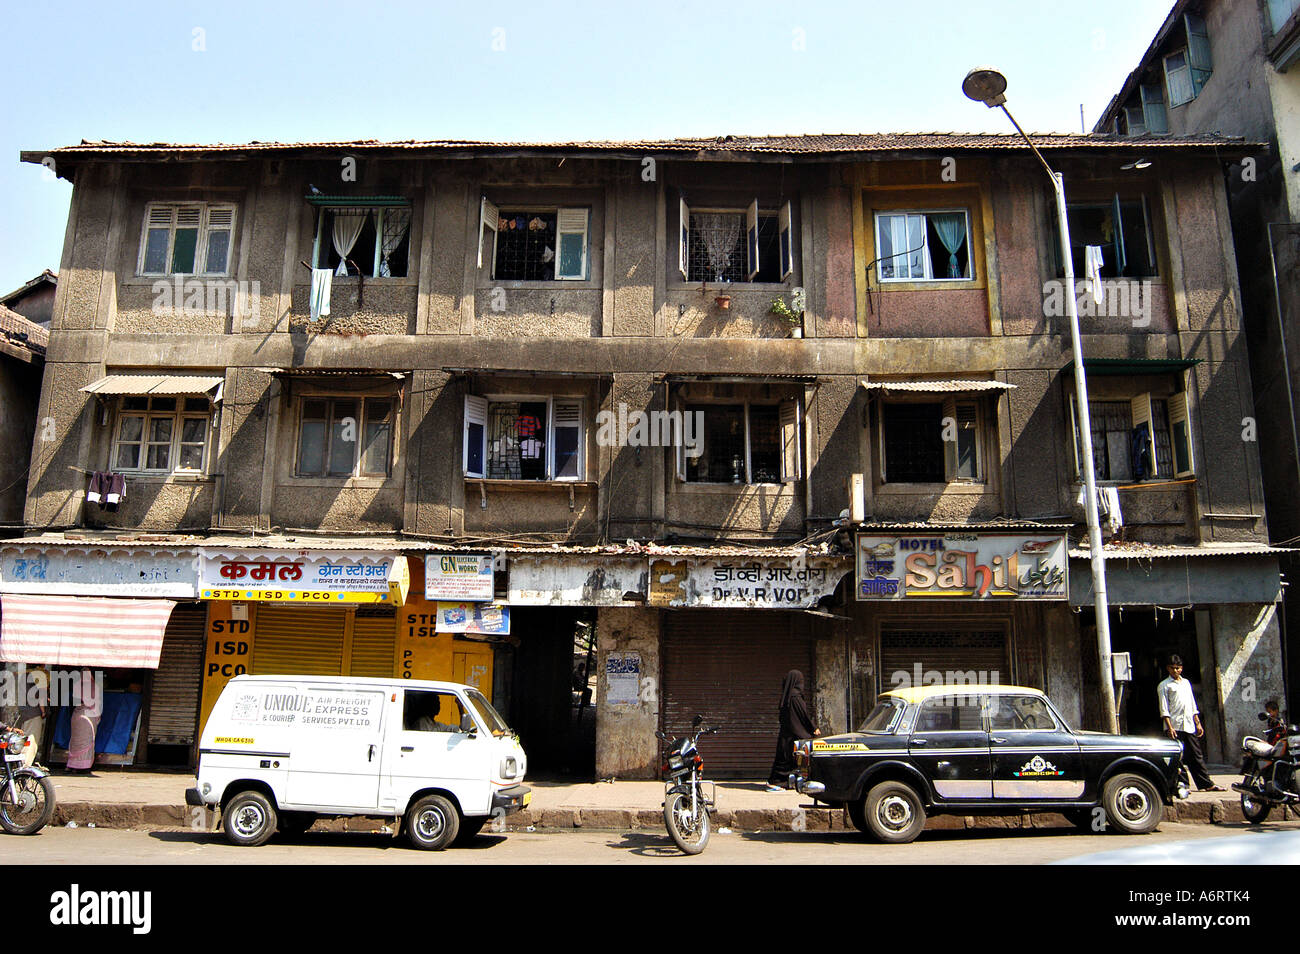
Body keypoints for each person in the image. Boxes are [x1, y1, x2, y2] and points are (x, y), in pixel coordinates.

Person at [1157, 654, 1223, 792]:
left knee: (1196, 756)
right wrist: (1169, 727)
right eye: (1173, 668)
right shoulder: (1164, 685)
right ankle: (1183, 785)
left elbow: (1192, 705)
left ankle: (1206, 783)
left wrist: (1197, 723)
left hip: (1188, 725)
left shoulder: (1186, 683)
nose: (1175, 671)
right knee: (1178, 757)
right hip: (1174, 726)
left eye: (1178, 668)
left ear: (1181, 668)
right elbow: (1164, 709)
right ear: (1168, 669)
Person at [766, 670, 819, 792]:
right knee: (787, 760)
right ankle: (775, 783)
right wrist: (813, 728)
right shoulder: (795, 697)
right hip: (792, 735)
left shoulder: (787, 697)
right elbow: (803, 715)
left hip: (787, 735)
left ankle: (782, 782)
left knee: (784, 759)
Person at [65, 668, 101, 775]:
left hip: (77, 716)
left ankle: (71, 765)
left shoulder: (77, 686)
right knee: (87, 742)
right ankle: (83, 766)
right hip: (89, 717)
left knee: (75, 742)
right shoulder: (94, 686)